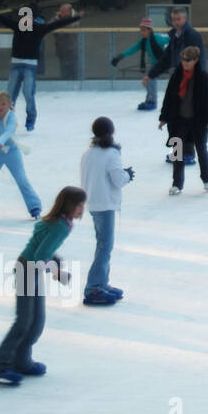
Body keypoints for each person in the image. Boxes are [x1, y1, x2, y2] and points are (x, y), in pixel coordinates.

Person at [0, 186, 85, 386]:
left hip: (32, 271)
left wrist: (54, 260)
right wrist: (58, 273)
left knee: (36, 322)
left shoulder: (59, 222)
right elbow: (39, 256)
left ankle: (21, 361)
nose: (82, 209)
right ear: (68, 205)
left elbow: (42, 246)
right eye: (79, 205)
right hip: (26, 271)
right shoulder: (60, 226)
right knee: (23, 322)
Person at [0, 3, 81, 131]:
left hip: (30, 66)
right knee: (10, 94)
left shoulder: (39, 29)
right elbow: (2, 19)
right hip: (16, 64)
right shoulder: (18, 26)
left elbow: (56, 25)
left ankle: (31, 119)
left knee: (28, 93)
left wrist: (75, 18)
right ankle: (7, 118)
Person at [78, 117, 133, 307]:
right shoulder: (111, 153)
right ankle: (93, 286)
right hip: (106, 204)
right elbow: (118, 179)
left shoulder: (88, 153)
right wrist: (128, 175)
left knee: (103, 244)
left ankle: (101, 282)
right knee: (105, 246)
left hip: (92, 202)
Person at [159, 46, 208, 196]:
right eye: (183, 60)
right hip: (178, 122)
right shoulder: (177, 75)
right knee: (177, 152)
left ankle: (207, 179)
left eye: (188, 60)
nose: (185, 63)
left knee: (201, 149)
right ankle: (177, 183)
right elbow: (169, 97)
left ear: (195, 60)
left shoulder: (203, 77)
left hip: (198, 121)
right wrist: (164, 117)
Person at [0, 91, 41, 223]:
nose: (0, 107)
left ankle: (34, 207)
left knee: (21, 179)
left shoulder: (11, 116)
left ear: (9, 105)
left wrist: (0, 141)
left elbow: (9, 130)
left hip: (12, 153)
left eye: (3, 104)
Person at [143, 8, 205, 103]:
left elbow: (199, 60)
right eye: (173, 19)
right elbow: (166, 59)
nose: (175, 22)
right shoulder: (174, 36)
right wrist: (151, 74)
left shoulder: (193, 35)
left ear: (185, 18)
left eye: (178, 19)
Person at [112, 18, 168, 111]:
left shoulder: (158, 38)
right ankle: (149, 100)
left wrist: (171, 51)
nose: (142, 32)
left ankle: (153, 102)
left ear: (149, 30)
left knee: (151, 80)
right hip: (154, 63)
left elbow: (171, 39)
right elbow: (132, 49)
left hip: (162, 63)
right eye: (141, 30)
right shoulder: (144, 41)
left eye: (144, 30)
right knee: (148, 82)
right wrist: (120, 56)